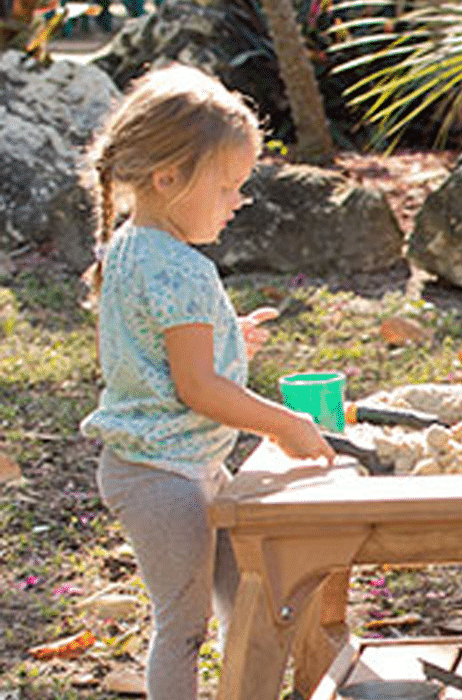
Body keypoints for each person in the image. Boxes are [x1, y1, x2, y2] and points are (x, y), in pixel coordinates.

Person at [78, 64, 335, 700]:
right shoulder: (179, 267)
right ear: (167, 179)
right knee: (184, 625)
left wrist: (228, 336)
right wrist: (287, 423)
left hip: (174, 465)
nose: (238, 202)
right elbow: (197, 390)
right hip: (162, 478)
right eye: (226, 187)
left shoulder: (131, 244)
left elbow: (158, 351)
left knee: (243, 601)